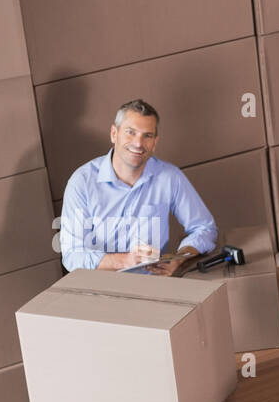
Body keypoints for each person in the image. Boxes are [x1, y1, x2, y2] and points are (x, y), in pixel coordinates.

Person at [59, 99, 217, 274]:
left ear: (155, 143)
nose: (138, 143)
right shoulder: (82, 182)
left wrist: (178, 259)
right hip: (99, 290)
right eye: (130, 132)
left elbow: (205, 228)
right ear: (114, 133)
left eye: (147, 135)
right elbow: (72, 255)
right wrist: (124, 261)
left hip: (152, 287)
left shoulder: (169, 177)